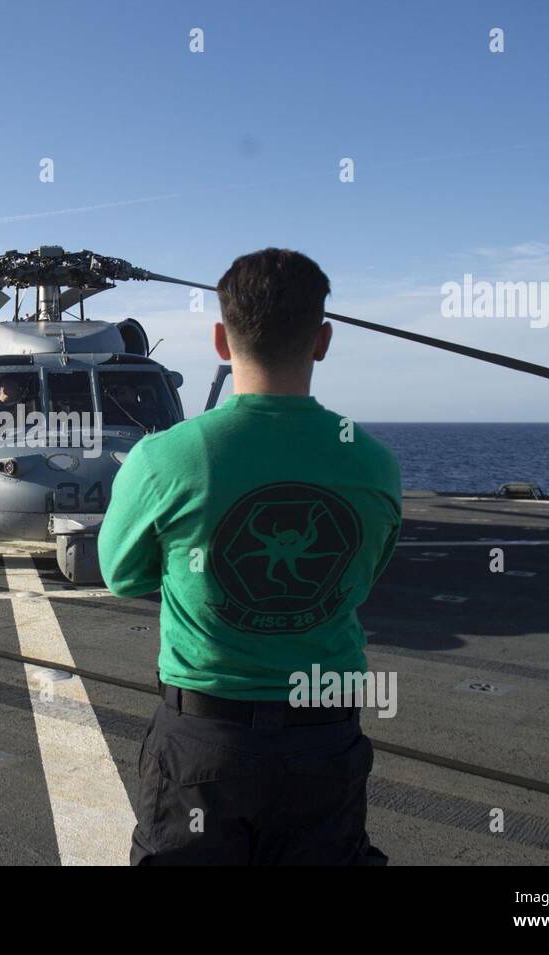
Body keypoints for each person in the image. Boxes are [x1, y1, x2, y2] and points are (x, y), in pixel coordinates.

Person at [98, 248, 402, 865]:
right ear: (322, 340)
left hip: (204, 742)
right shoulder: (373, 461)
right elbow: (361, 575)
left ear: (219, 339)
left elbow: (121, 576)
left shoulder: (164, 456)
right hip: (325, 735)